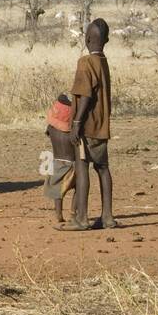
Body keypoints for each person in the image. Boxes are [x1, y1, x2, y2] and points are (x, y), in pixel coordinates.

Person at [59, 18, 116, 230]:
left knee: (82, 167)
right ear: (106, 40)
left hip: (87, 126)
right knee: (103, 168)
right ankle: (108, 217)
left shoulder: (85, 62)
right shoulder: (103, 62)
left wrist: (76, 123)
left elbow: (84, 96)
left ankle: (81, 219)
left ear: (87, 39)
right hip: (102, 126)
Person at [42, 94, 77, 223]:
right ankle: (73, 214)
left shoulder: (50, 129)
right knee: (79, 188)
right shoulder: (72, 133)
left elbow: (48, 131)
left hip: (56, 162)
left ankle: (58, 215)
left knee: (57, 191)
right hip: (72, 165)